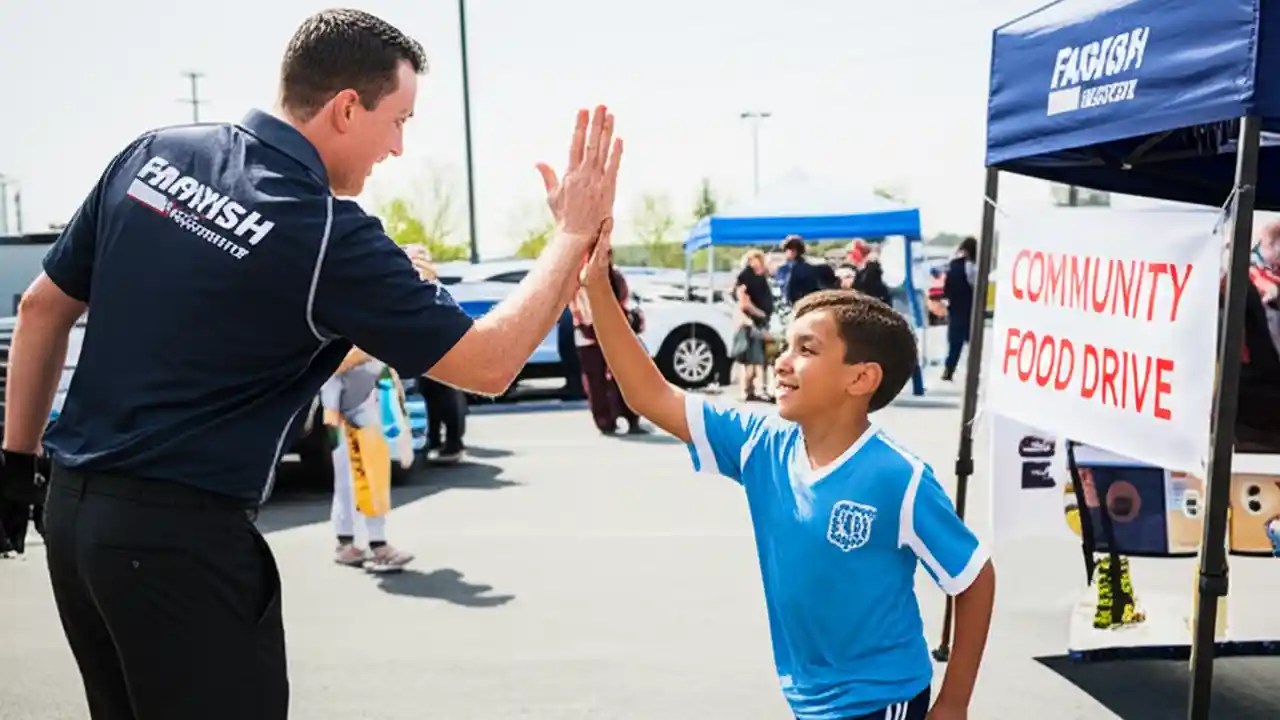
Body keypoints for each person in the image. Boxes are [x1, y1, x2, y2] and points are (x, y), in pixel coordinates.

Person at [0, 9, 623, 719]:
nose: (397, 148)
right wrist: (572, 233)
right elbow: (489, 364)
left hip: (75, 522)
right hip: (179, 545)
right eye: (399, 121)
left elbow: (43, 308)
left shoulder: (155, 154)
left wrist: (16, 465)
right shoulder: (324, 230)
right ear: (346, 108)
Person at [578, 226, 996, 720]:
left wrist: (954, 704)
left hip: (882, 700)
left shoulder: (897, 478)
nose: (782, 362)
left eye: (807, 349)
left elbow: (973, 578)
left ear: (861, 378)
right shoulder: (761, 443)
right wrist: (596, 288)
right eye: (786, 345)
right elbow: (651, 395)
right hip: (808, 699)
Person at [321, 349, 415, 572]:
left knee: (371, 480)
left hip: (368, 416)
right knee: (354, 483)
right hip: (349, 420)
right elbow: (331, 374)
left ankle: (365, 542)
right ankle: (364, 544)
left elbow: (389, 384)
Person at [569, 250, 645, 434]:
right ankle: (605, 422)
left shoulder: (615, 275)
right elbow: (578, 307)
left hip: (614, 334)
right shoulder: (579, 278)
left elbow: (624, 300)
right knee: (596, 382)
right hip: (589, 336)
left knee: (625, 377)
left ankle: (631, 417)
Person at [732, 249, 774, 402]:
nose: (757, 264)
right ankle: (748, 390)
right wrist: (759, 313)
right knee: (751, 362)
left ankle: (752, 390)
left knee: (757, 360)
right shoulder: (746, 278)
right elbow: (744, 303)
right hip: (750, 324)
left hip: (757, 323)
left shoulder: (760, 279)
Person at [942, 237, 978, 381]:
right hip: (970, 310)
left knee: (954, 344)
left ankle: (949, 370)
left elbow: (947, 287)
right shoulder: (974, 268)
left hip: (955, 309)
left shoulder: (953, 265)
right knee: (974, 344)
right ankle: (973, 373)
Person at [781, 234, 825, 305]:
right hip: (787, 306)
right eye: (789, 248)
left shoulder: (808, 268)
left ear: (799, 250)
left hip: (803, 304)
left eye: (796, 248)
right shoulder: (783, 269)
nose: (792, 251)